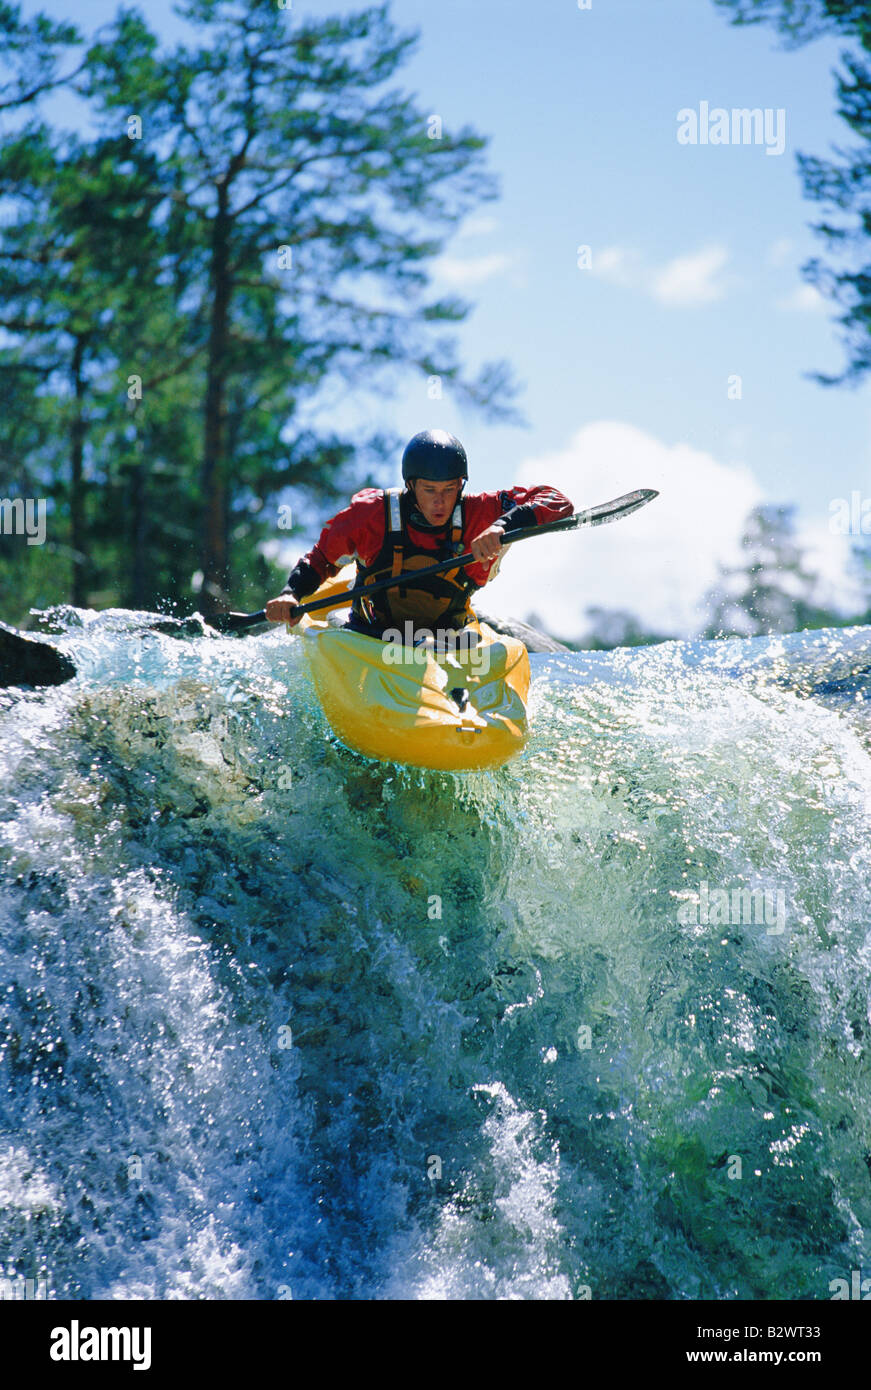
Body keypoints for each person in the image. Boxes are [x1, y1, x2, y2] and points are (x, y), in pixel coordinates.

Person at [265, 429, 573, 640]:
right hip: (369, 637)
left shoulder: (480, 512)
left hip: (445, 641)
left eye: (449, 489)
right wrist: (291, 593)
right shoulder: (372, 514)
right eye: (429, 490)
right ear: (411, 486)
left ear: (460, 486)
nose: (440, 501)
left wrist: (501, 526)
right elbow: (321, 558)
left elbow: (556, 501)